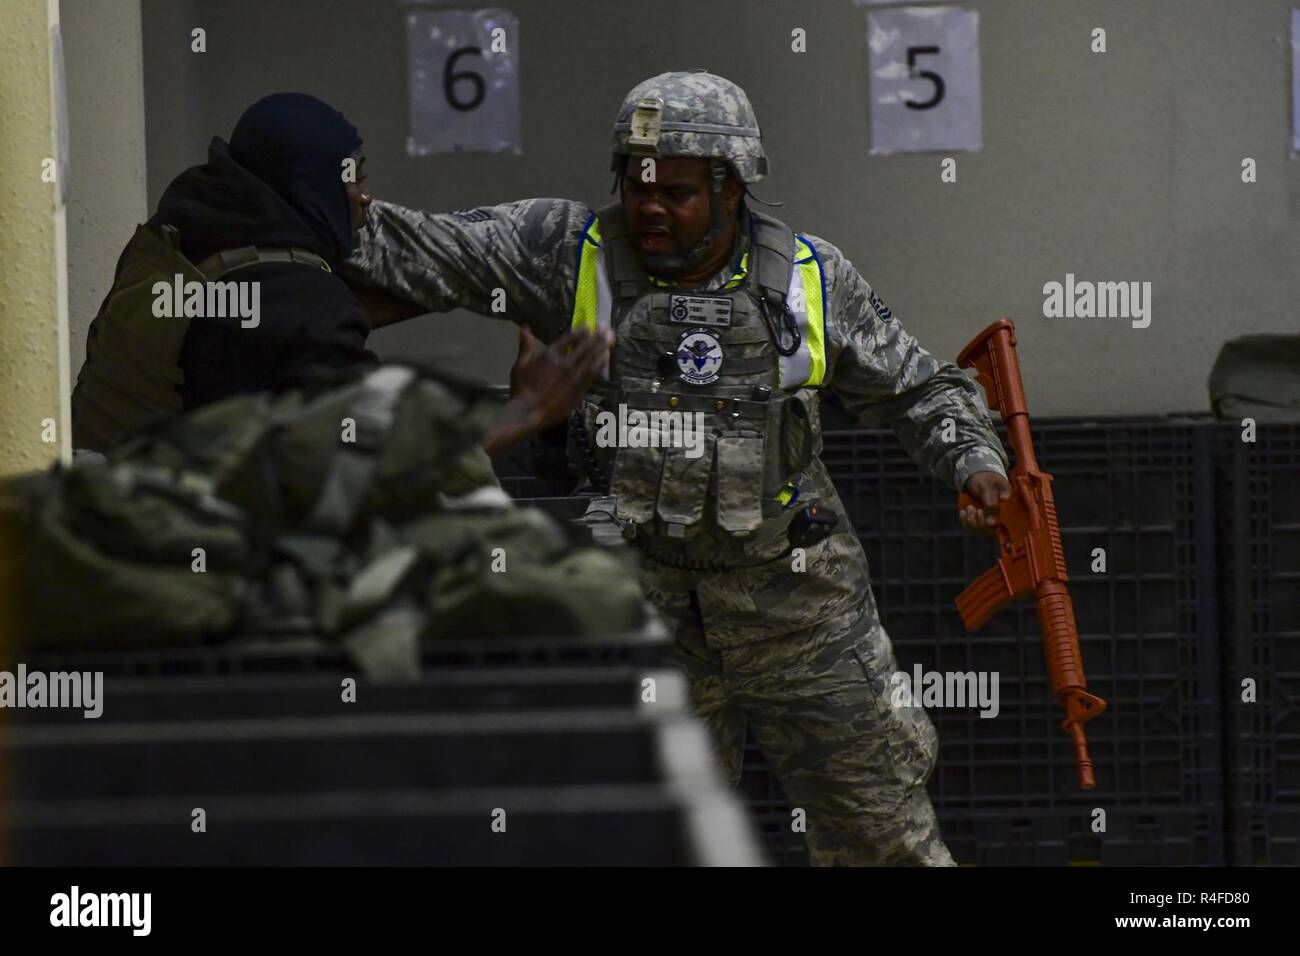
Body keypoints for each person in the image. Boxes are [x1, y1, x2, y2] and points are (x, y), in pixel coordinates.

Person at [342, 70, 1013, 865]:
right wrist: (309, 198)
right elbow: (415, 251)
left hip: (801, 602)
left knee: (883, 838)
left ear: (732, 191)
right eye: (637, 182)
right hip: (645, 604)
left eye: (678, 192)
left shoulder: (808, 278)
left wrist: (974, 463)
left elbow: (919, 386)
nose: (649, 207)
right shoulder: (567, 253)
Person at [70, 92, 607, 455]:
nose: (365, 199)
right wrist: (527, 410)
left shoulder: (178, 238)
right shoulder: (303, 303)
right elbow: (381, 457)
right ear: (306, 186)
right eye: (352, 180)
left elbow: (254, 344)